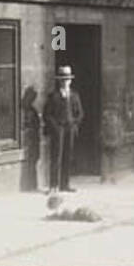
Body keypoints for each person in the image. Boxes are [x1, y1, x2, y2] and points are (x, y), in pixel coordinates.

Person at [43, 65, 84, 193]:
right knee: (56, 157)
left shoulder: (74, 96)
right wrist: (55, 127)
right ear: (59, 81)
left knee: (68, 156)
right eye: (62, 79)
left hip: (70, 129)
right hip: (58, 130)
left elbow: (80, 113)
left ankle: (64, 184)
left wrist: (74, 124)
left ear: (70, 80)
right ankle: (53, 186)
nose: (65, 81)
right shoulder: (53, 96)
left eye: (67, 79)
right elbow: (47, 114)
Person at [21, 86, 41, 192]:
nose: (33, 99)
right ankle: (28, 185)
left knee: (33, 162)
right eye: (32, 97)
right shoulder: (22, 109)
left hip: (34, 139)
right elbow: (24, 125)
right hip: (28, 140)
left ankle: (33, 185)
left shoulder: (32, 109)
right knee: (29, 163)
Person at [100, 104, 123, 184]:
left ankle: (105, 177)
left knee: (106, 160)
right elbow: (120, 133)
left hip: (108, 142)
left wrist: (103, 141)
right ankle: (113, 178)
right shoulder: (118, 121)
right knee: (113, 161)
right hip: (114, 141)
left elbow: (102, 132)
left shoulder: (105, 120)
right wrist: (119, 141)